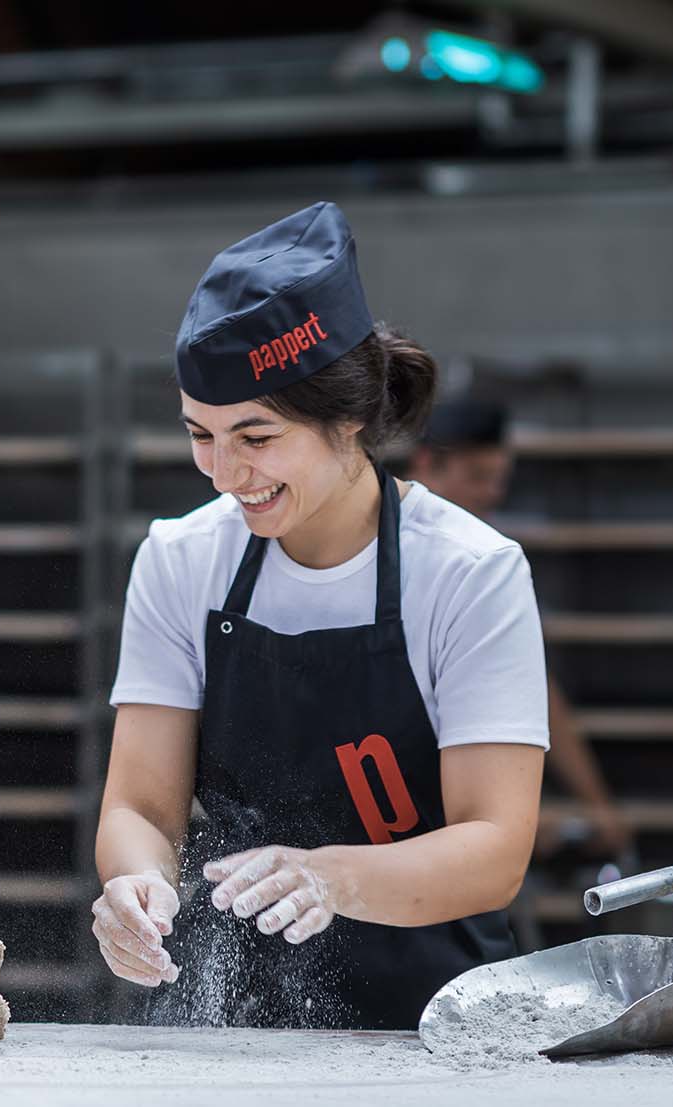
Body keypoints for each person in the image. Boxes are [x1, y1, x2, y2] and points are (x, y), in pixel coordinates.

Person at [91, 202, 548, 1030]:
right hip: (225, 1006)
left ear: (353, 420)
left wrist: (330, 877)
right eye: (201, 435)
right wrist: (136, 883)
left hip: (436, 1021)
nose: (225, 473)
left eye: (256, 436)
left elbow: (495, 847)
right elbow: (142, 808)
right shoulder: (182, 560)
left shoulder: (468, 574)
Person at [406, 401, 634, 861]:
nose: (491, 492)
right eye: (477, 476)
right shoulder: (383, 548)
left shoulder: (488, 563)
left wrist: (595, 805)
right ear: (427, 463)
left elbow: (534, 689)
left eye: (499, 478)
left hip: (465, 807)